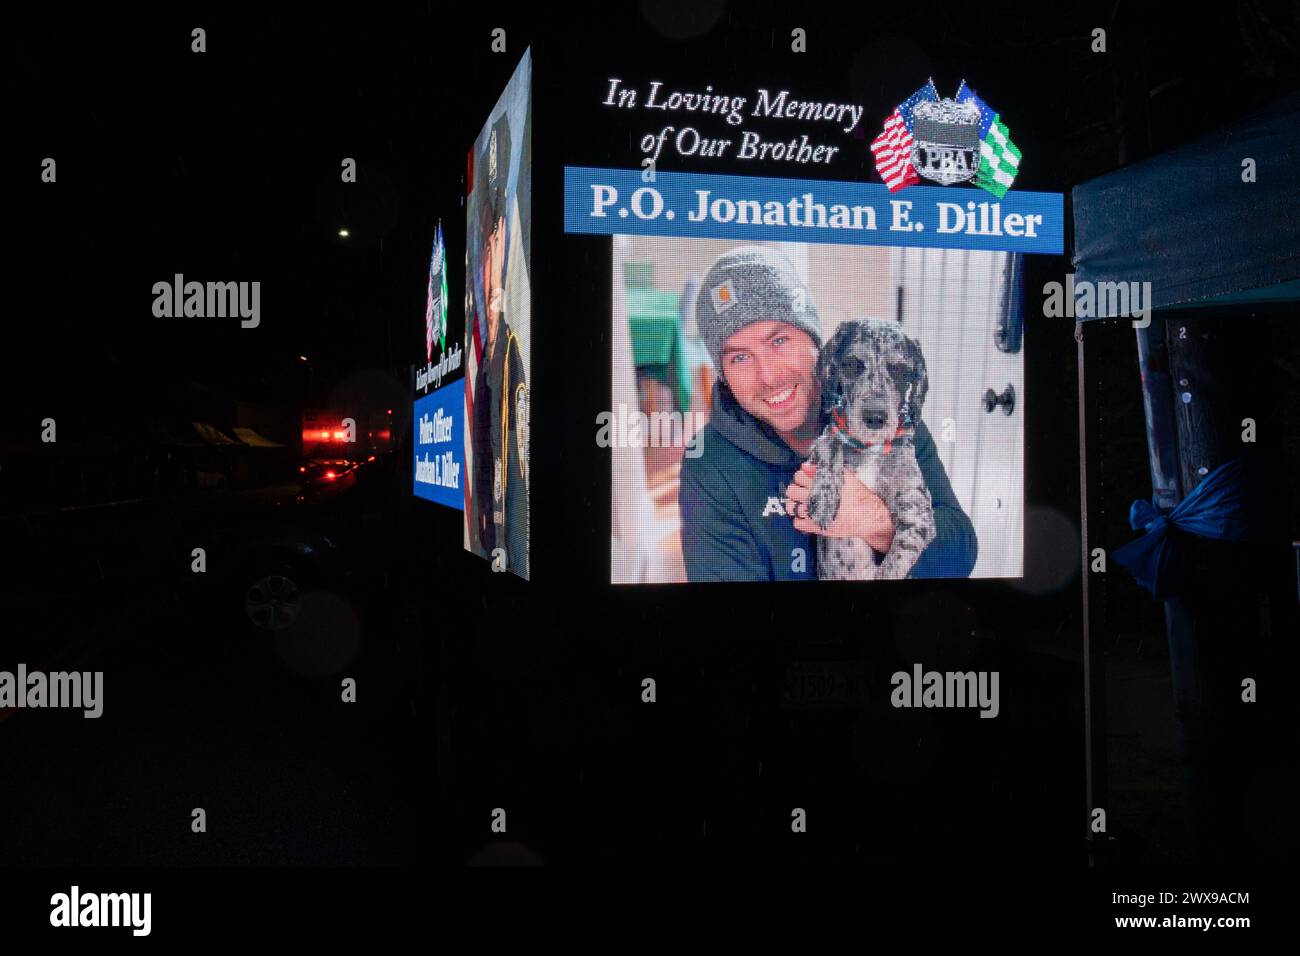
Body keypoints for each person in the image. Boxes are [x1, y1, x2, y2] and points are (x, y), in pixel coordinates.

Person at [678, 245, 976, 582]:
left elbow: (960, 555)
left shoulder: (882, 416)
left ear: (816, 342)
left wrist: (873, 519)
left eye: (779, 341)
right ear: (725, 377)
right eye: (740, 358)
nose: (768, 376)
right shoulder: (711, 463)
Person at [470, 114, 529, 577]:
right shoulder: (492, 359)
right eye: (486, 248)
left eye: (497, 241)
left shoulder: (510, 361)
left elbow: (517, 479)